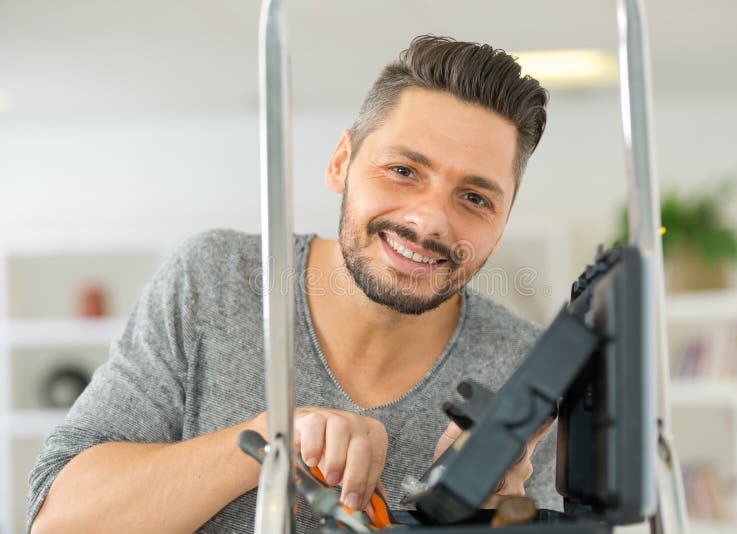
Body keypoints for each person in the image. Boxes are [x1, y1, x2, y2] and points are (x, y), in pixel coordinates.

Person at [27, 35, 554, 533]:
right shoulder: (214, 281)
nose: (430, 221)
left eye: (475, 198)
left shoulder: (528, 370)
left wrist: (491, 516)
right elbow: (61, 521)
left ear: (502, 223)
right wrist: (271, 440)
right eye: (403, 171)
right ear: (341, 163)